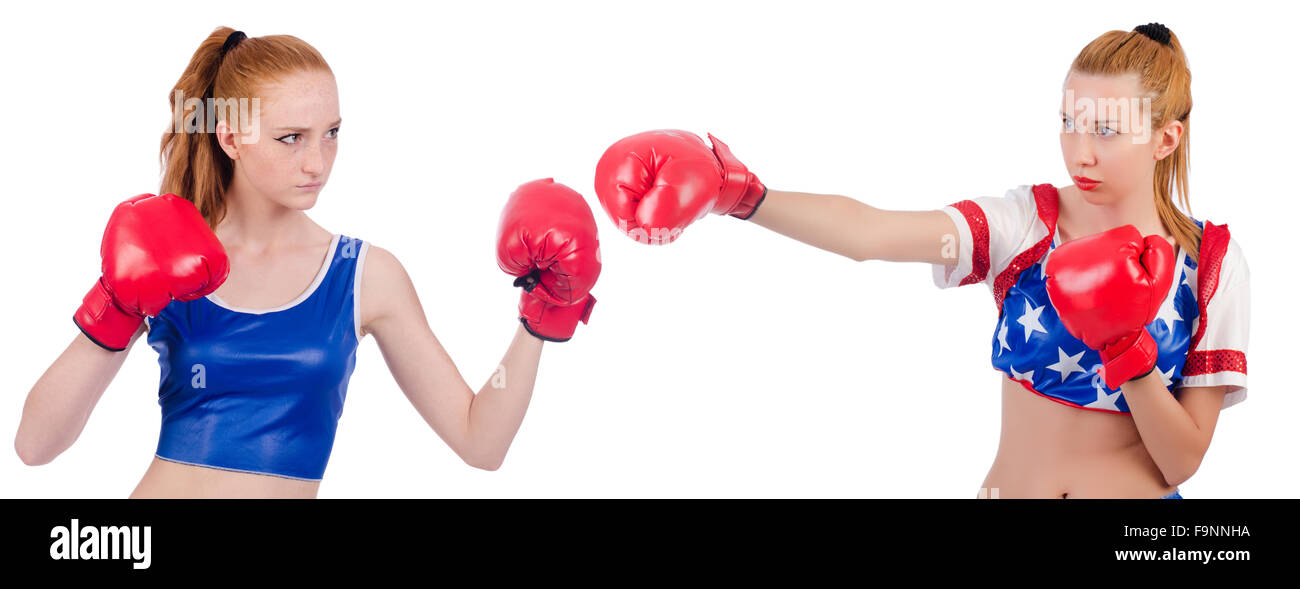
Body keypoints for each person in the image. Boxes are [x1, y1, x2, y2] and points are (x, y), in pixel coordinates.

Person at [593, 23, 1249, 498]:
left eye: (1105, 130)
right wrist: (746, 196)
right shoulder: (1028, 222)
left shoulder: (1212, 264)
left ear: (1166, 137)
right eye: (1070, 122)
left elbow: (1181, 461)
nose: (1081, 151)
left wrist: (1127, 346)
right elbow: (871, 233)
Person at [14, 27, 601, 498]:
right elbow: (34, 446)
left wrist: (543, 313)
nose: (317, 162)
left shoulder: (364, 277)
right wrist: (113, 305)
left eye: (332, 133)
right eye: (291, 137)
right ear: (229, 137)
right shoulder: (170, 258)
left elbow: (481, 444)